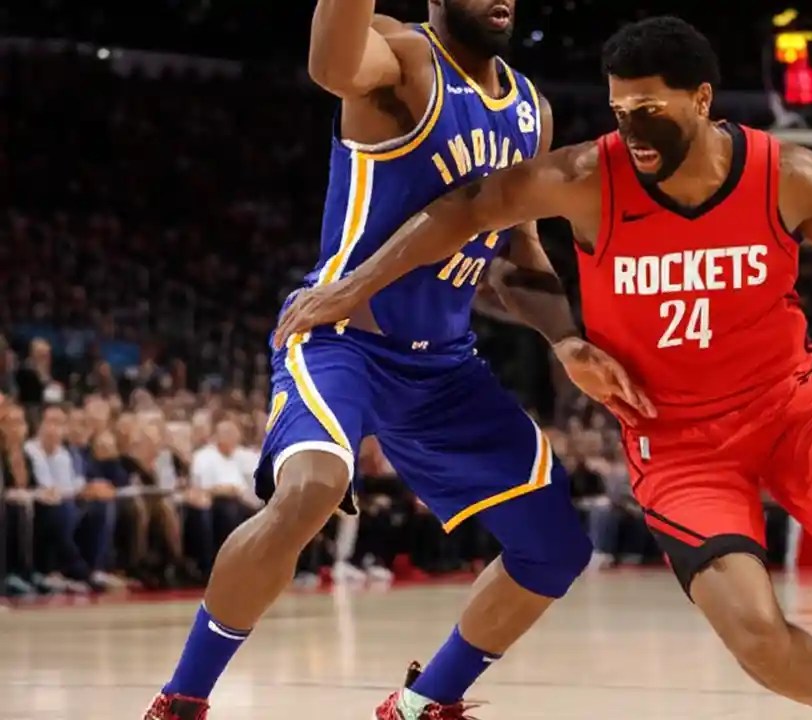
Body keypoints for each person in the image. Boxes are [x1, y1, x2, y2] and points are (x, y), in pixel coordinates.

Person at [276, 16, 812, 720]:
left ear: (702, 101)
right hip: (677, 448)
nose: (632, 126)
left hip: (794, 411)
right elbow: (462, 211)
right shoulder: (589, 178)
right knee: (755, 636)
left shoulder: (788, 176)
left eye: (651, 108)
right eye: (620, 108)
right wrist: (354, 285)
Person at [145, 1, 616, 718]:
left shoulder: (530, 110)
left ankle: (426, 699)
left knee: (555, 550)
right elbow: (329, 63)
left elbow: (518, 254)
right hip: (343, 338)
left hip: (445, 367)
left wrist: (565, 341)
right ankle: (183, 697)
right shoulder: (400, 60)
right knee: (311, 490)